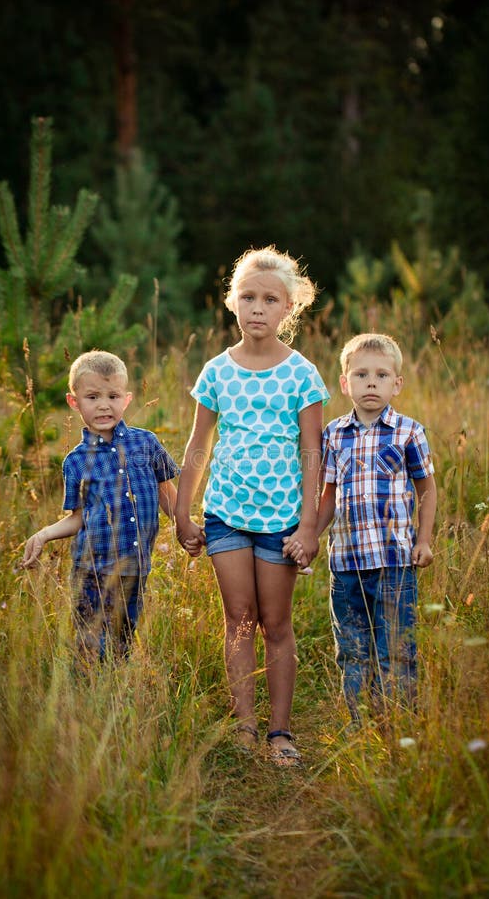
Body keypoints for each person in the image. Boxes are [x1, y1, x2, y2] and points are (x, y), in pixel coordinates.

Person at [175, 246, 329, 766]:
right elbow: (198, 446)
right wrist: (182, 511)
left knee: (275, 623)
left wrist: (309, 526)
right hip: (225, 515)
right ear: (232, 303)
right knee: (237, 618)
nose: (257, 307)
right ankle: (244, 725)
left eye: (269, 299)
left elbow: (314, 454)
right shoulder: (217, 371)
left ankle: (280, 732)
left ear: (289, 308)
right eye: (247, 296)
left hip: (282, 520)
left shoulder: (302, 374)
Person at [22, 350, 181, 665]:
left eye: (113, 396)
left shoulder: (146, 444)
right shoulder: (76, 461)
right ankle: (87, 696)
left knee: (123, 639)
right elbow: (78, 519)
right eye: (92, 396)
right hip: (91, 570)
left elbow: (169, 496)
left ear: (127, 399)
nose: (104, 405)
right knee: (90, 643)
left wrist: (188, 527)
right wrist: (43, 534)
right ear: (74, 401)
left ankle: (117, 697)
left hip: (135, 569)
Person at [309, 333, 436, 724]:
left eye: (382, 375)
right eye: (361, 375)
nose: (371, 383)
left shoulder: (408, 432)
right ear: (345, 383)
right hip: (345, 563)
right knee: (351, 648)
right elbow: (327, 496)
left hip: (394, 561)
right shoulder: (333, 434)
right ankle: (361, 724)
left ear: (397, 383)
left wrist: (425, 540)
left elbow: (427, 488)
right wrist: (309, 537)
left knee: (395, 648)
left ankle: (396, 725)